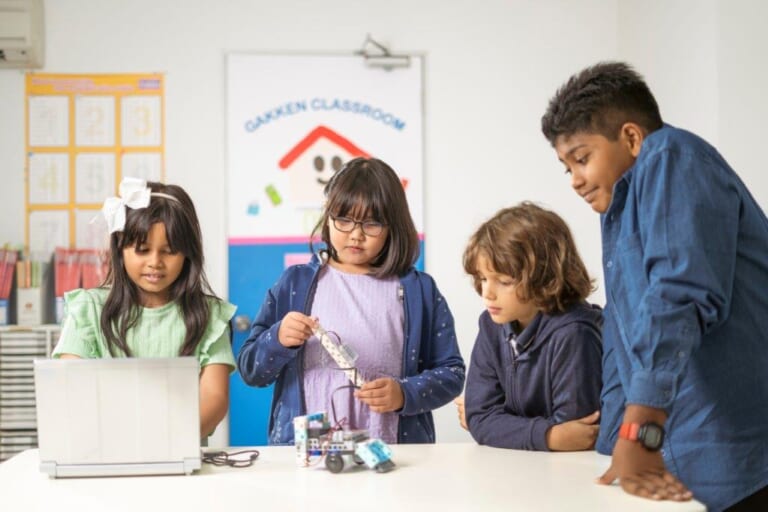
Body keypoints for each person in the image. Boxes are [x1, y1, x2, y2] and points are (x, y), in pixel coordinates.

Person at [541, 61, 768, 511]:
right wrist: (611, 446)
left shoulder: (670, 157)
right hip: (678, 452)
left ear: (630, 137)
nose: (576, 181)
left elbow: (680, 295)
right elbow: (622, 333)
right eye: (566, 168)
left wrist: (639, 431)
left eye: (582, 158)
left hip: (737, 457)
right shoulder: (618, 212)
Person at [237, 157, 465, 445]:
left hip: (393, 454)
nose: (356, 234)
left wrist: (405, 393)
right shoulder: (294, 284)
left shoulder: (420, 291)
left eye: (372, 223)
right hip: (309, 457)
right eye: (343, 220)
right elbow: (250, 370)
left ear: (393, 225)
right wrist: (277, 339)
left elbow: (452, 372)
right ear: (327, 216)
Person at [53, 177, 236, 439]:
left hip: (181, 459)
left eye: (169, 251)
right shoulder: (88, 309)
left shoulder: (209, 316)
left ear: (188, 254)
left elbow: (214, 398)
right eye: (142, 250)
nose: (155, 262)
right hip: (102, 455)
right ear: (120, 249)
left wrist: (168, 441)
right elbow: (70, 388)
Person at [456, 202, 603, 451]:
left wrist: (501, 426)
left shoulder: (574, 333)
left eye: (504, 281)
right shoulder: (491, 325)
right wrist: (548, 436)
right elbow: (480, 418)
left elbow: (577, 434)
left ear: (545, 278)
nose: (487, 293)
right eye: (483, 279)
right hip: (519, 470)